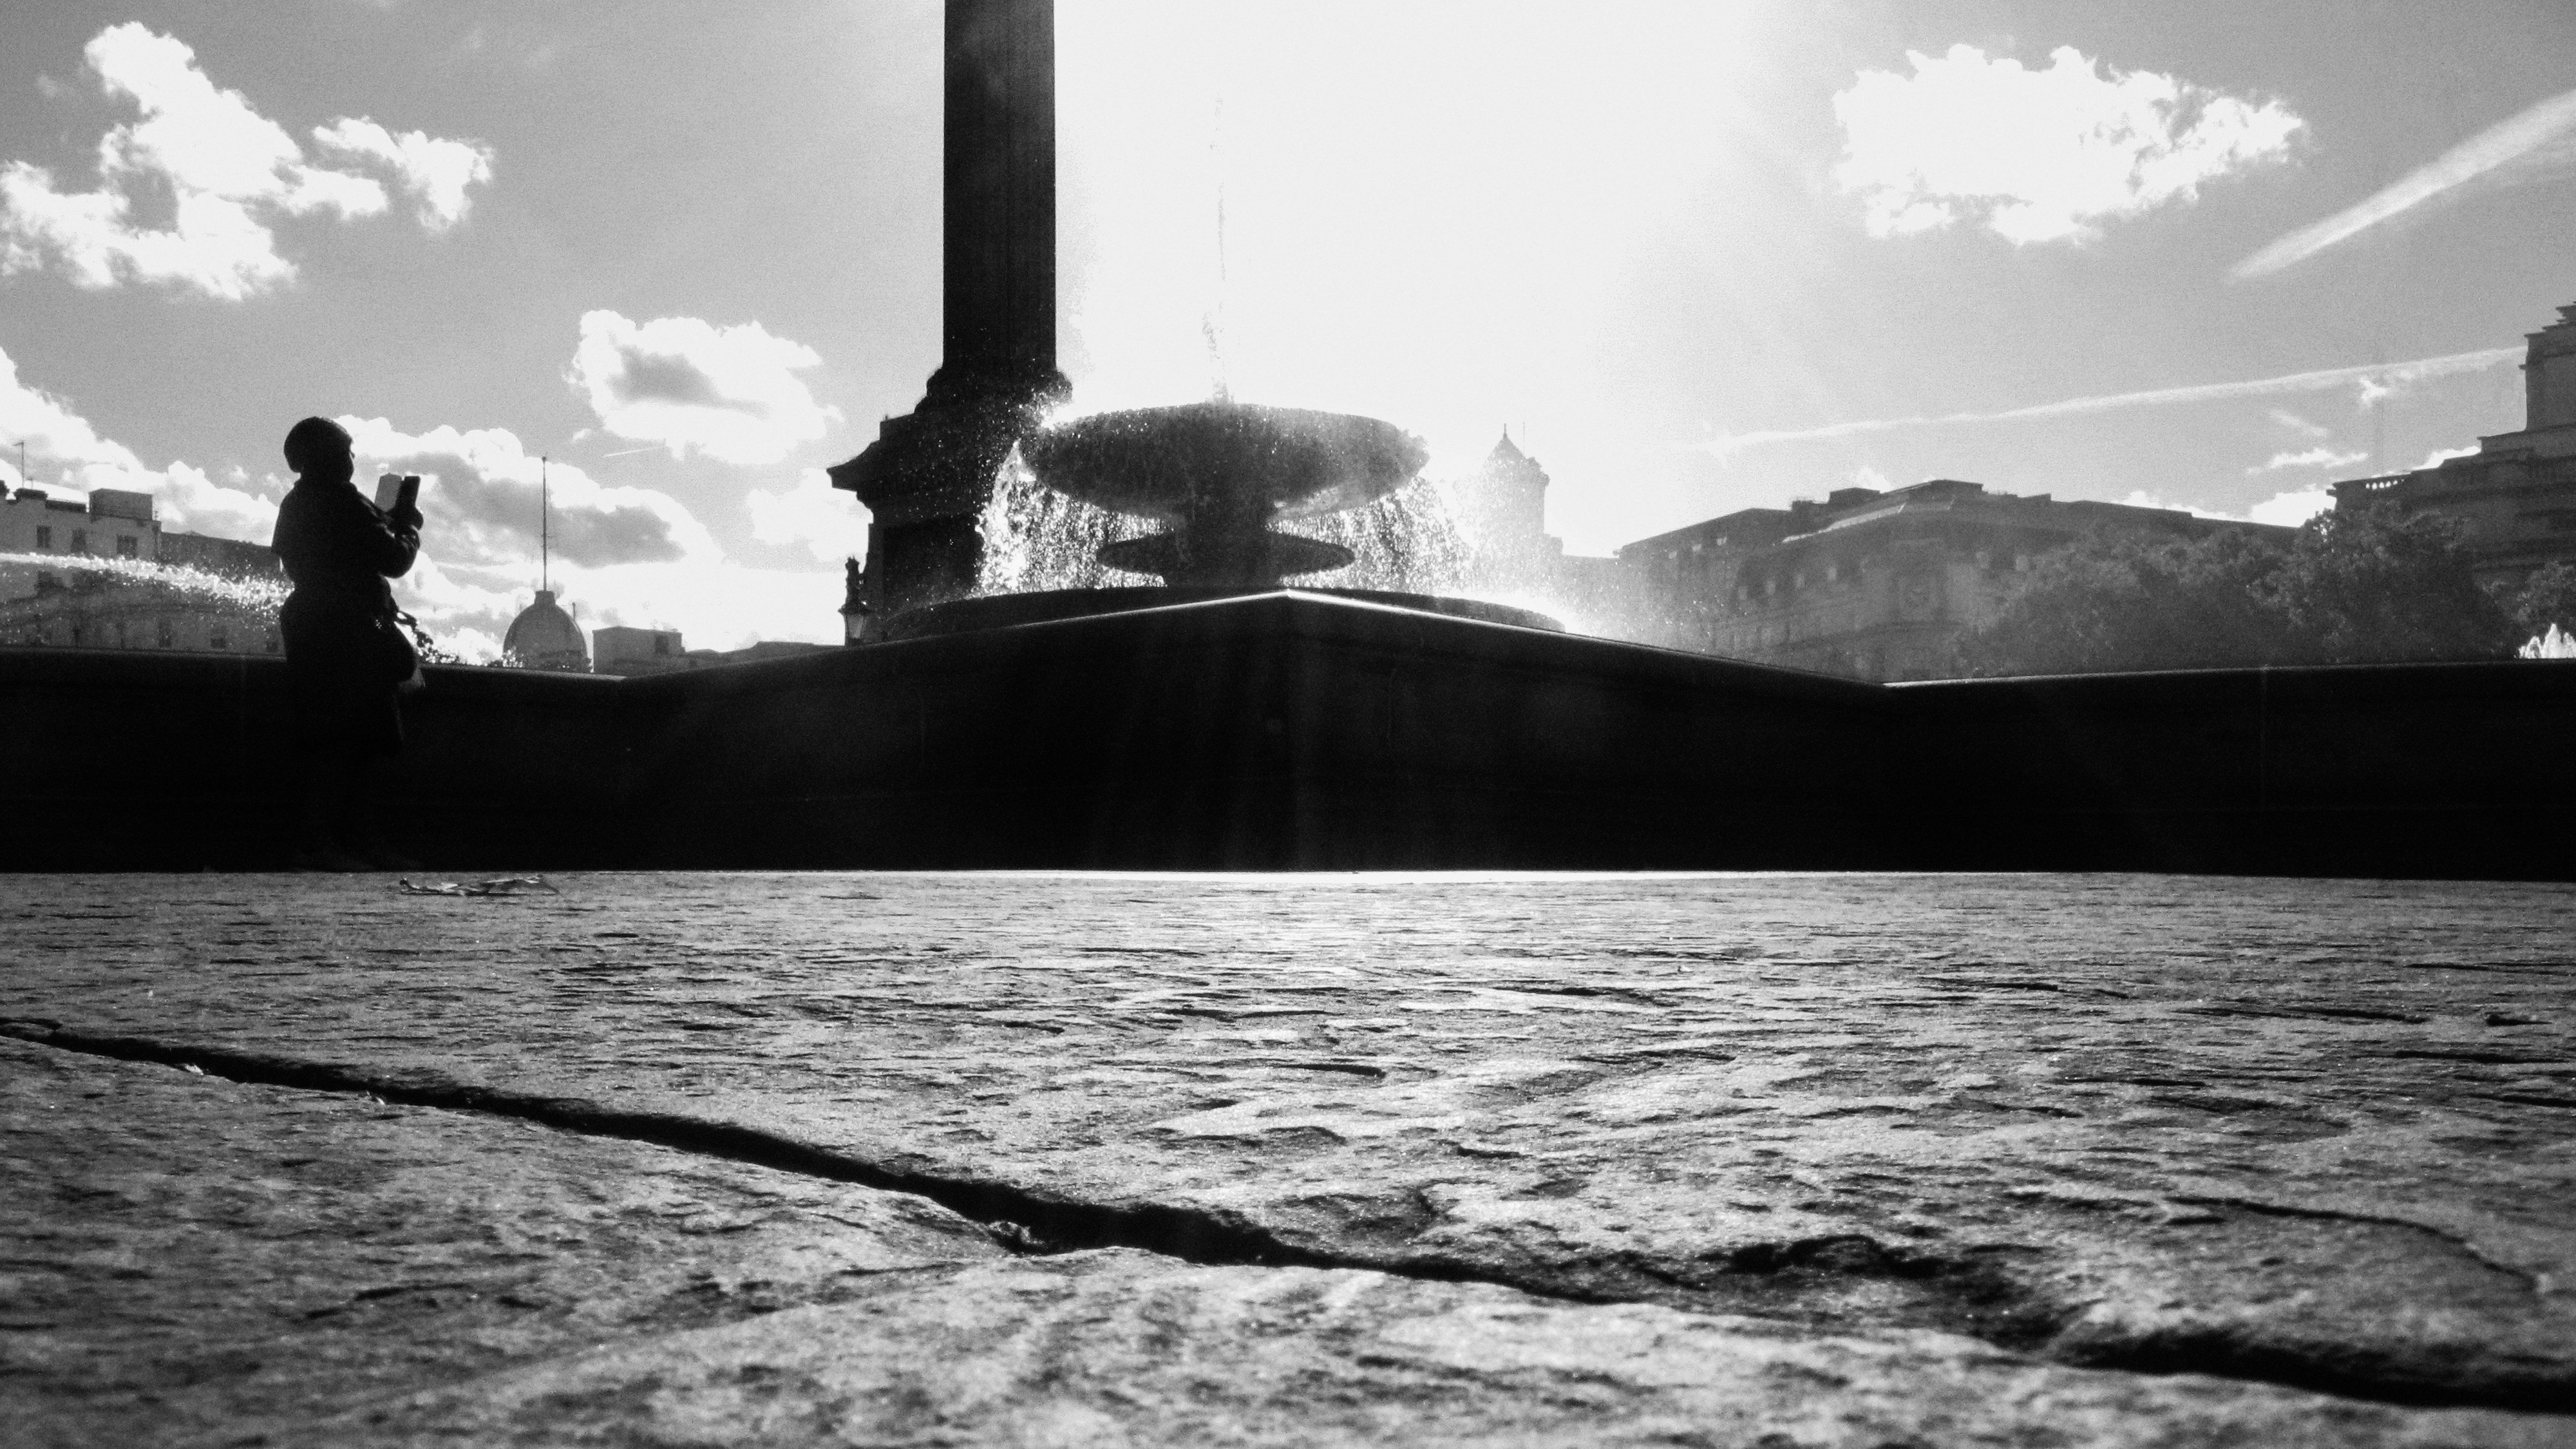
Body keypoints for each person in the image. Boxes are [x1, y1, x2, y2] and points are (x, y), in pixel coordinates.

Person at [269, 417, 422, 870]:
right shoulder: (342, 501)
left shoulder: (295, 504)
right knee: (353, 742)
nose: (352, 459)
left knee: (334, 740)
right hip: (351, 632)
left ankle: (340, 842)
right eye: (348, 451)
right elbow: (393, 559)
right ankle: (330, 843)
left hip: (312, 626)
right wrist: (407, 527)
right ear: (333, 457)